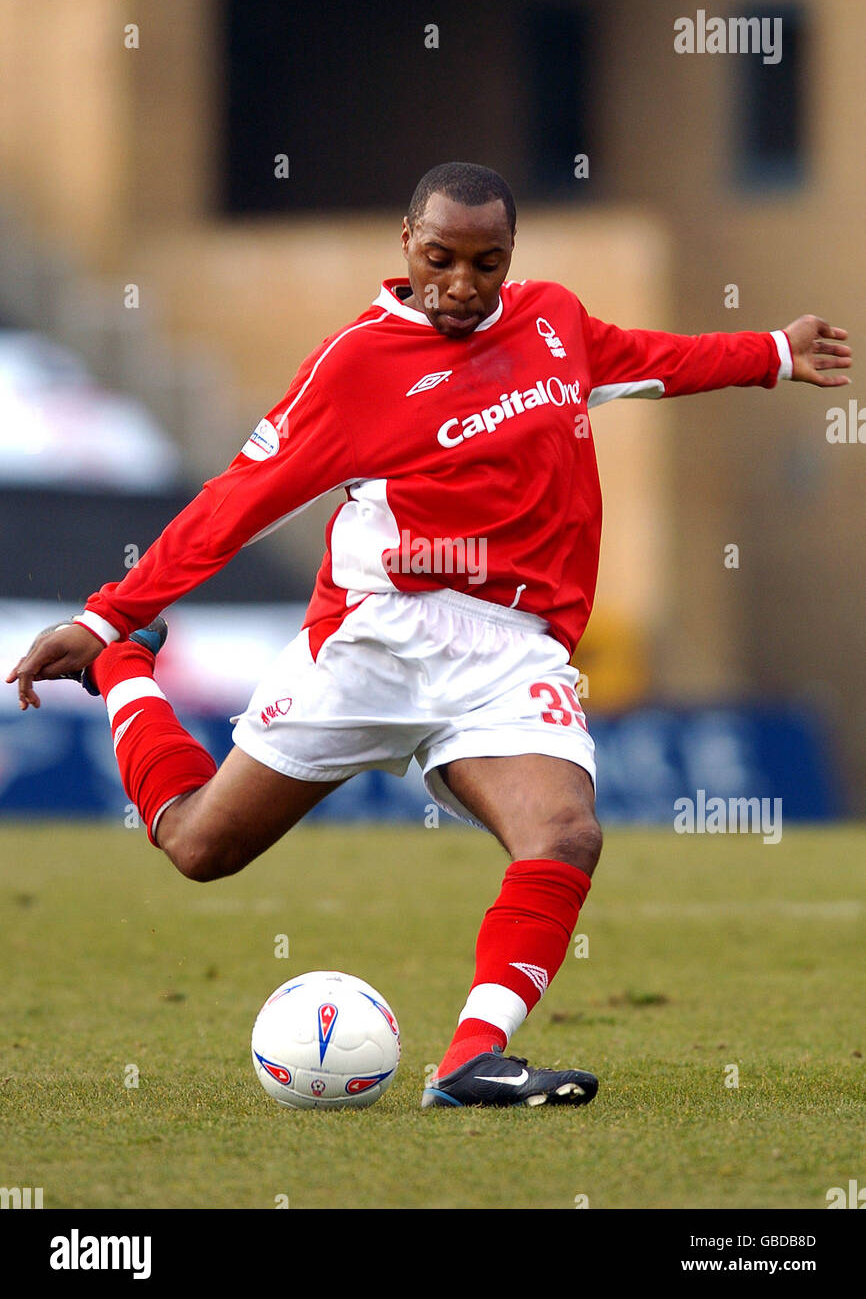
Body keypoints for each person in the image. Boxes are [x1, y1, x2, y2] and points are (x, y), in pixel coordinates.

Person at [6, 162, 852, 1109]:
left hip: (511, 647)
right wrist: (110, 617)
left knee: (565, 833)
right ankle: (128, 674)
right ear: (407, 242)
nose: (461, 284)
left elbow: (648, 361)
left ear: (510, 259)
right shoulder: (353, 367)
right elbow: (236, 504)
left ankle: (471, 1060)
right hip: (375, 639)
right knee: (201, 848)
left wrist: (772, 352)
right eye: (442, 257)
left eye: (486, 263)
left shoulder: (552, 322)